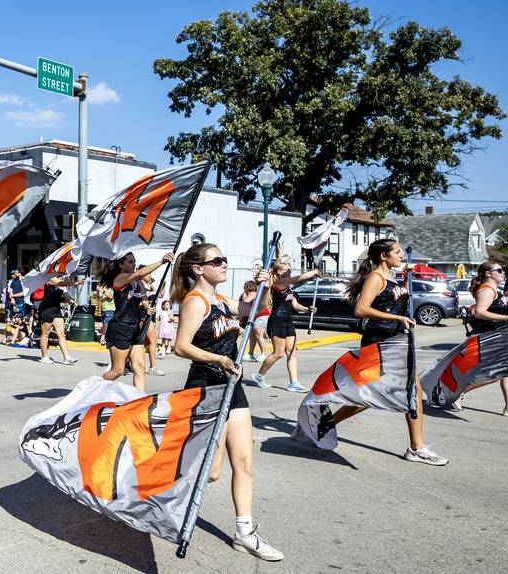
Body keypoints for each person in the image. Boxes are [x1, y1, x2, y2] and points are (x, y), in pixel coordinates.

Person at [171, 242, 282, 561]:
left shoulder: (221, 299)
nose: (223, 264)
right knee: (213, 471)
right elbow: (181, 347)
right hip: (206, 386)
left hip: (233, 385)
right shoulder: (195, 301)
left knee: (244, 462)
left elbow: (253, 311)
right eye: (216, 260)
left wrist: (265, 285)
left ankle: (244, 532)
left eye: (224, 259)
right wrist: (218, 359)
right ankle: (159, 494)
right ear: (198, 269)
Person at [329, 238, 448, 466]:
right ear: (383, 256)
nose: (401, 255)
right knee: (366, 395)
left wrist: (404, 279)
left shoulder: (391, 277)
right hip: (380, 341)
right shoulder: (376, 277)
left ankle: (417, 446)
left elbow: (392, 301)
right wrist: (397, 317)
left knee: (410, 389)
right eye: (397, 252)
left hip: (397, 340)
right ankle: (325, 424)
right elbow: (361, 309)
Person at [102, 252, 174, 393]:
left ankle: (139, 400)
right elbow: (140, 273)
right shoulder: (120, 278)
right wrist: (162, 261)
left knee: (139, 367)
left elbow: (145, 301)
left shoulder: (138, 281)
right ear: (121, 264)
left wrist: (149, 308)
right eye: (130, 262)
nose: (133, 264)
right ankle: (91, 389)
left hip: (135, 329)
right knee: (118, 370)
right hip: (120, 327)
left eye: (134, 261)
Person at [251, 262, 318, 393]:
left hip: (288, 321)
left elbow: (296, 305)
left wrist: (308, 309)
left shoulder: (288, 288)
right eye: (288, 269)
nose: (290, 270)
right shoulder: (280, 283)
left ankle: (294, 383)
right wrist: (314, 272)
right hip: (277, 320)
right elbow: (301, 277)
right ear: (280, 272)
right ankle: (259, 376)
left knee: (292, 352)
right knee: (279, 353)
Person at [454, 262, 508, 414]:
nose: (502, 272)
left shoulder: (493, 290)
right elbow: (480, 312)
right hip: (488, 336)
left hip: (496, 334)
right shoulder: (486, 290)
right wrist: (505, 318)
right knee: (497, 372)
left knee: (504, 370)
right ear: (488, 274)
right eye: (499, 270)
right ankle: (459, 393)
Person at [36, 273, 81, 366]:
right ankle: (44, 356)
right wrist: (76, 282)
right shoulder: (50, 278)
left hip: (56, 310)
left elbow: (66, 296)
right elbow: (60, 283)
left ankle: (67, 357)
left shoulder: (63, 283)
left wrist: (71, 301)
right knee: (45, 333)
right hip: (46, 309)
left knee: (61, 334)